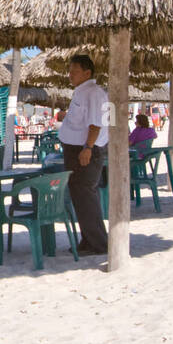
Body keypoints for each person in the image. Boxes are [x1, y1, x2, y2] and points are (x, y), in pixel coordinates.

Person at [59, 54, 109, 256]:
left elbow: (95, 124)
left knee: (86, 196)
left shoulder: (93, 93)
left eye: (75, 71)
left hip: (85, 151)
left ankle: (98, 243)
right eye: (69, 71)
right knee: (80, 197)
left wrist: (88, 148)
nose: (70, 75)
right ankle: (88, 240)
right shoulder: (82, 92)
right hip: (77, 150)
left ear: (87, 73)